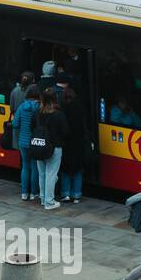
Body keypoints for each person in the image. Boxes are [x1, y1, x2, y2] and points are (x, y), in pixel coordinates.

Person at [34, 87, 67, 211]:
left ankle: (43, 198)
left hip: (39, 145)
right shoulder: (59, 114)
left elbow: (33, 126)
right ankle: (49, 201)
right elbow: (65, 131)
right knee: (51, 174)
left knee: (42, 173)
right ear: (55, 99)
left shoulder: (38, 112)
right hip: (54, 147)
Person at [56, 76, 86, 204]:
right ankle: (77, 195)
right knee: (78, 170)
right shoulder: (80, 109)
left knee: (65, 170)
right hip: (78, 143)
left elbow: (63, 129)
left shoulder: (63, 110)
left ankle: (66, 194)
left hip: (67, 144)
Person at [12, 84, 41, 201]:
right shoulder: (39, 107)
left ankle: (24, 193)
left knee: (25, 166)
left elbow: (15, 124)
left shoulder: (22, 107)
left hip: (23, 142)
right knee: (35, 168)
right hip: (35, 142)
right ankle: (34, 193)